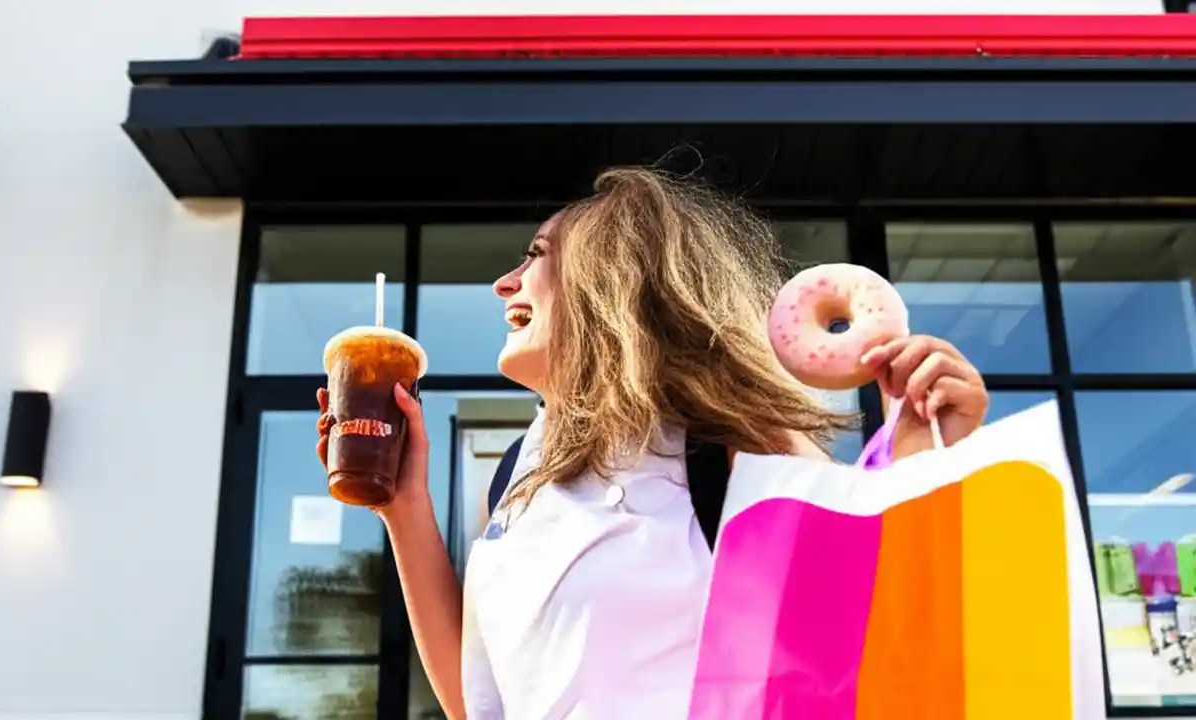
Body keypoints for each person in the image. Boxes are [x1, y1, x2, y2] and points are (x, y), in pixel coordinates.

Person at [315, 167, 988, 719]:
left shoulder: (723, 441)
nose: (504, 284)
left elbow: (859, 617)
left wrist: (923, 463)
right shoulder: (522, 473)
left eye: (536, 259)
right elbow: (477, 701)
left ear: (611, 281)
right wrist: (404, 507)